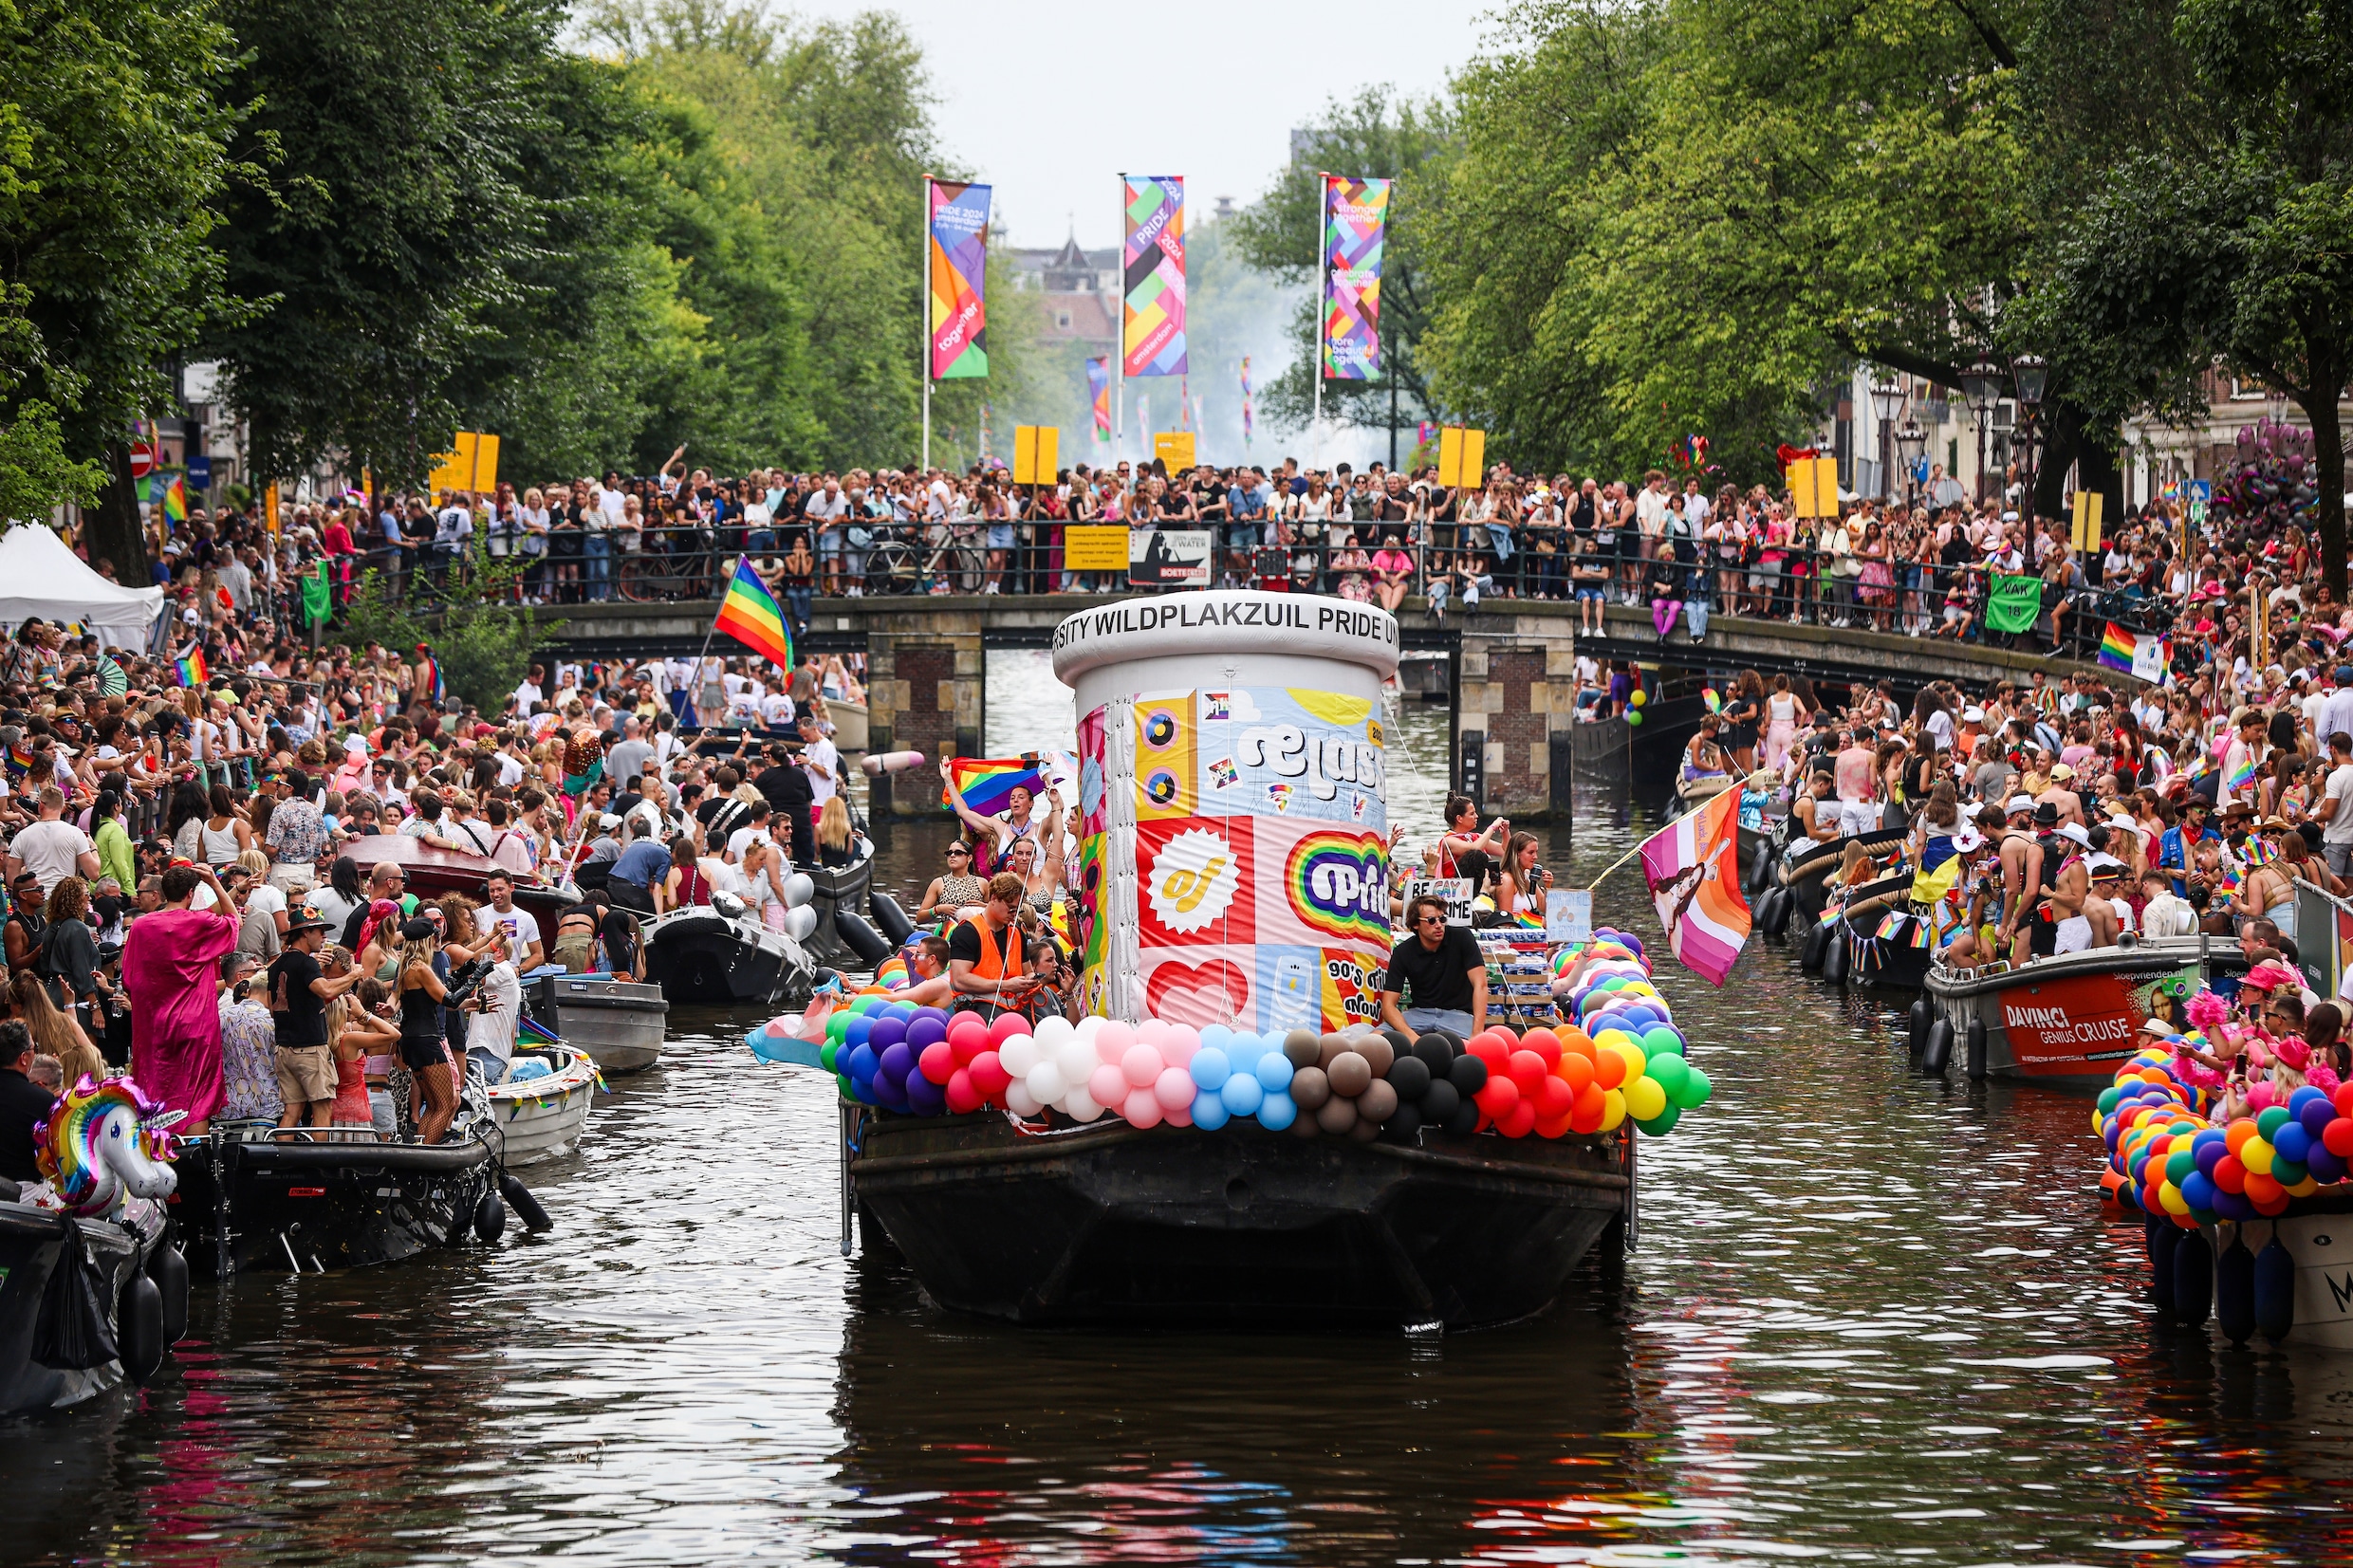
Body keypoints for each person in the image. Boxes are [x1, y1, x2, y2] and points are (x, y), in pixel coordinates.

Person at [125, 861, 241, 1132]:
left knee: (156, 1089)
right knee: (197, 1096)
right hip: (196, 1024)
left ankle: (158, 1157)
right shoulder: (200, 922)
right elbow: (233, 923)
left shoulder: (141, 927)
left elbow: (129, 979)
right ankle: (195, 1166)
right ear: (191, 893)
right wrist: (215, 883)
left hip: (154, 1026)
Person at [269, 910, 365, 1129]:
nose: (323, 937)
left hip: (284, 1048)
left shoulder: (276, 966)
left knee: (292, 1111)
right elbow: (325, 990)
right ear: (304, 933)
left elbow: (273, 1006)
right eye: (320, 931)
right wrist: (354, 975)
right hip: (309, 1048)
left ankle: (282, 1162)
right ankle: (317, 1163)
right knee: (322, 1110)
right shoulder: (306, 963)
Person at [1380, 893, 1488, 1039]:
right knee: (1376, 1039)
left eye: (1442, 919)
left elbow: (1480, 985)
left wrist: (1477, 1032)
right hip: (1419, 1014)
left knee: (1473, 1048)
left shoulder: (1462, 937)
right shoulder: (1403, 951)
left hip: (1458, 1016)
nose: (1438, 925)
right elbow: (1388, 1005)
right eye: (1431, 921)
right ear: (1415, 924)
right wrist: (1410, 1036)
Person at [394, 916, 458, 1144]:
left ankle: (418, 1149)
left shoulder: (405, 968)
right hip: (427, 1040)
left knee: (431, 1106)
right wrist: (477, 976)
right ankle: (425, 1155)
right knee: (446, 1104)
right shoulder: (422, 968)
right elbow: (450, 1000)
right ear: (429, 940)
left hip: (410, 1039)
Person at [947, 872, 1037, 1018]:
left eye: (1018, 909)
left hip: (1013, 1005)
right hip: (975, 1005)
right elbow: (959, 980)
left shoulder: (1017, 933)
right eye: (1011, 908)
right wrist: (1005, 985)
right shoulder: (967, 932)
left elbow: (1028, 971)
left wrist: (1031, 979)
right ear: (994, 898)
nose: (1014, 914)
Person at [7, 786, 100, 896]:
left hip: (36, 902)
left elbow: (11, 879)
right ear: (63, 807)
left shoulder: (23, 836)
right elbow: (93, 873)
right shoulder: (75, 834)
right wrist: (94, 848)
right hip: (65, 901)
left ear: (40, 806)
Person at [457, 945, 523, 1086]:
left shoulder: (501, 970)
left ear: (499, 951)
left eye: (487, 948)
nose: (480, 953)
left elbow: (471, 975)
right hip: (494, 1051)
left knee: (477, 1099)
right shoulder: (510, 975)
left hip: (486, 1050)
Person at [0, 1021, 55, 1182]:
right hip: (25, 1196)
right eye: (34, 1048)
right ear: (23, 1058)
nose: (35, 1054)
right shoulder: (43, 1100)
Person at [475, 870, 547, 971]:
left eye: (500, 889)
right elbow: (465, 951)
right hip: (480, 979)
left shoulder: (526, 918)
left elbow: (538, 955)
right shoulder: (477, 915)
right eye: (492, 890)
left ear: (511, 887)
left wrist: (518, 970)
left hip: (509, 980)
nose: (496, 894)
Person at [604, 817, 672, 914]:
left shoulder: (634, 845)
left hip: (612, 881)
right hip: (631, 885)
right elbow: (657, 890)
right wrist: (660, 918)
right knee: (649, 916)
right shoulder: (666, 855)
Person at [917, 840, 987, 925]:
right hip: (948, 934)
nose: (952, 856)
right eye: (949, 853)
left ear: (969, 858)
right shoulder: (938, 883)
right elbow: (919, 918)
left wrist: (984, 907)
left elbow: (995, 911)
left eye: (958, 853)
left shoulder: (982, 883)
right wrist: (938, 909)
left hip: (976, 932)